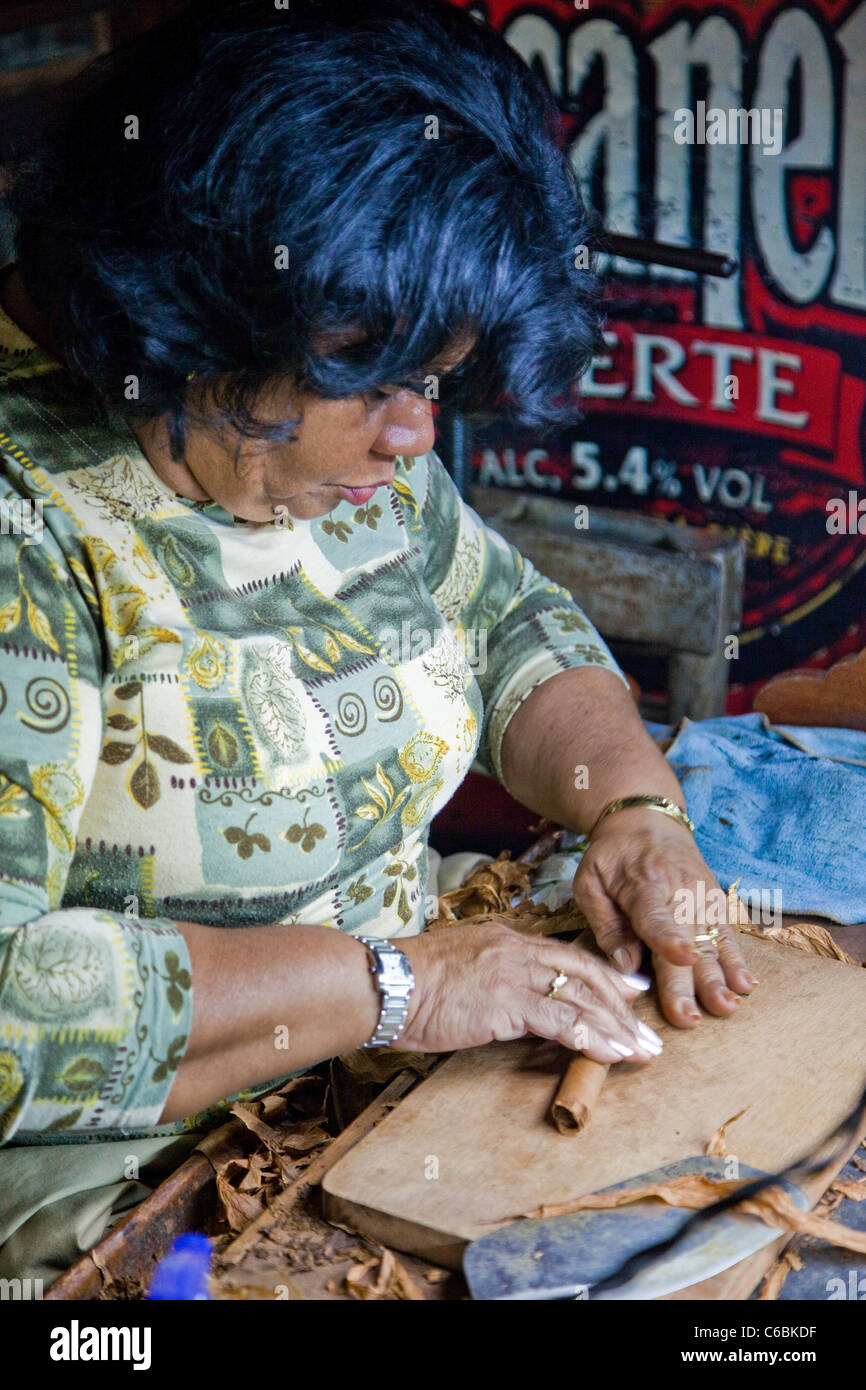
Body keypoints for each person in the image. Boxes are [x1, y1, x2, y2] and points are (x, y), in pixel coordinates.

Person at [0, 0, 754, 1283]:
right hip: (129, 1182)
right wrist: (396, 985)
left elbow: (508, 617)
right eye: (372, 376)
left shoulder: (339, 437)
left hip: (392, 1060)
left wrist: (630, 806)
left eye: (438, 380)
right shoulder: (28, 522)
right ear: (191, 302)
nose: (414, 437)